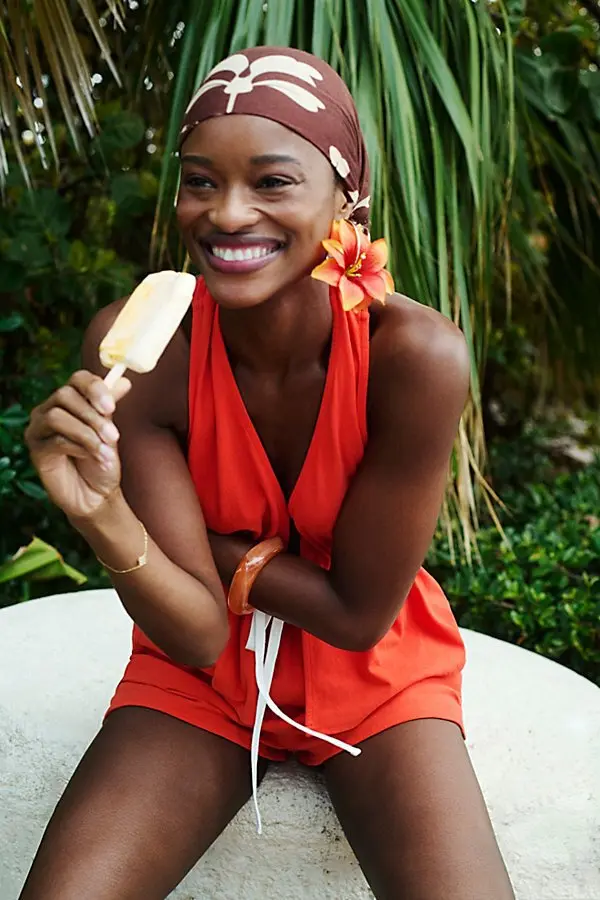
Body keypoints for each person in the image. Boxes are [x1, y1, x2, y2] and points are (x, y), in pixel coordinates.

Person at [21, 46, 515, 900]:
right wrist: (104, 516)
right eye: (201, 182)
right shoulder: (147, 353)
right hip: (198, 685)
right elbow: (198, 636)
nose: (227, 213)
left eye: (273, 181)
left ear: (347, 200)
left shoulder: (412, 357)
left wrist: (204, 546)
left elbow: (357, 615)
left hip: (378, 683)